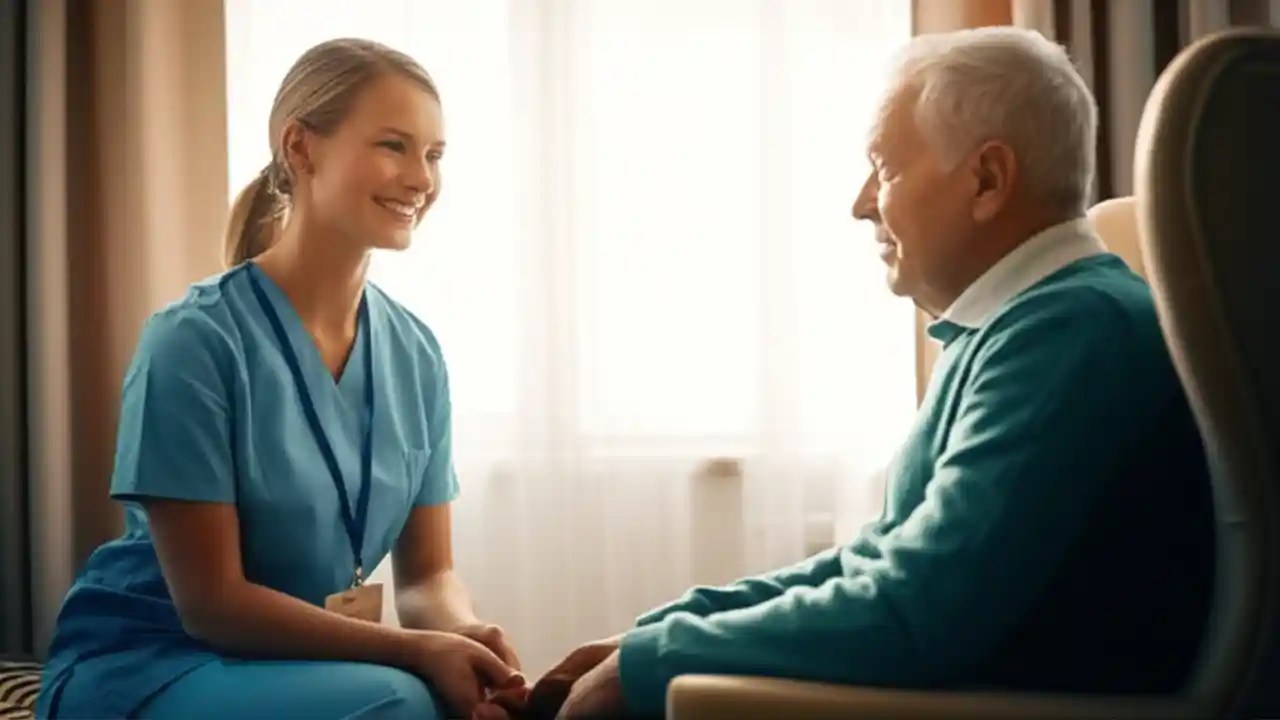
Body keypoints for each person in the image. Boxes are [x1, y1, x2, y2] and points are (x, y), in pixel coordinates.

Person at [530, 26, 1215, 719]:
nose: (861, 204)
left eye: (883, 169)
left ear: (987, 179)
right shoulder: (1025, 326)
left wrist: (645, 666)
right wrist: (654, 635)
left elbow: (918, 609)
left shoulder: (1068, 332)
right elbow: (877, 561)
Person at [35, 38, 529, 720]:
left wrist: (461, 632)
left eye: (434, 155)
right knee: (400, 702)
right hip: (153, 660)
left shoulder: (417, 353)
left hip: (311, 666)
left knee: (446, 699)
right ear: (300, 149)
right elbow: (213, 605)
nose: (421, 178)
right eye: (393, 145)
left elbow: (429, 577)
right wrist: (413, 651)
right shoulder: (193, 341)